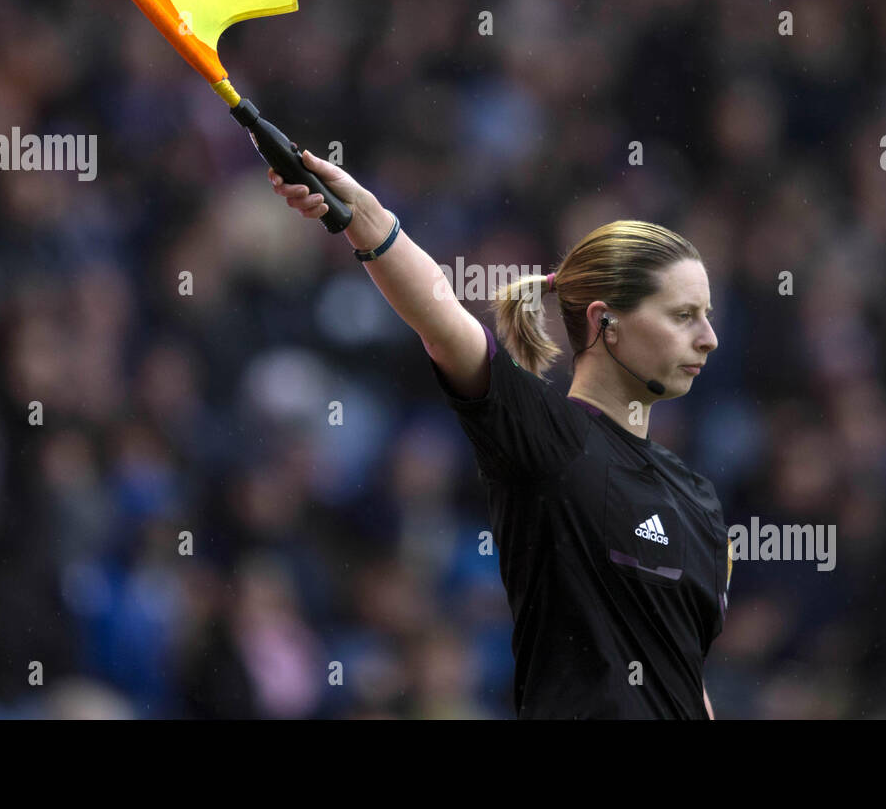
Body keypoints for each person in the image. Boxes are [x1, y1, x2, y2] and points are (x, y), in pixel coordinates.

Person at [269, 151, 731, 719]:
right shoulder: (548, 438)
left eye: (707, 315)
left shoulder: (701, 502)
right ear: (604, 322)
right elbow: (442, 321)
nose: (709, 337)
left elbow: (685, 681)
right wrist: (363, 214)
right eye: (684, 315)